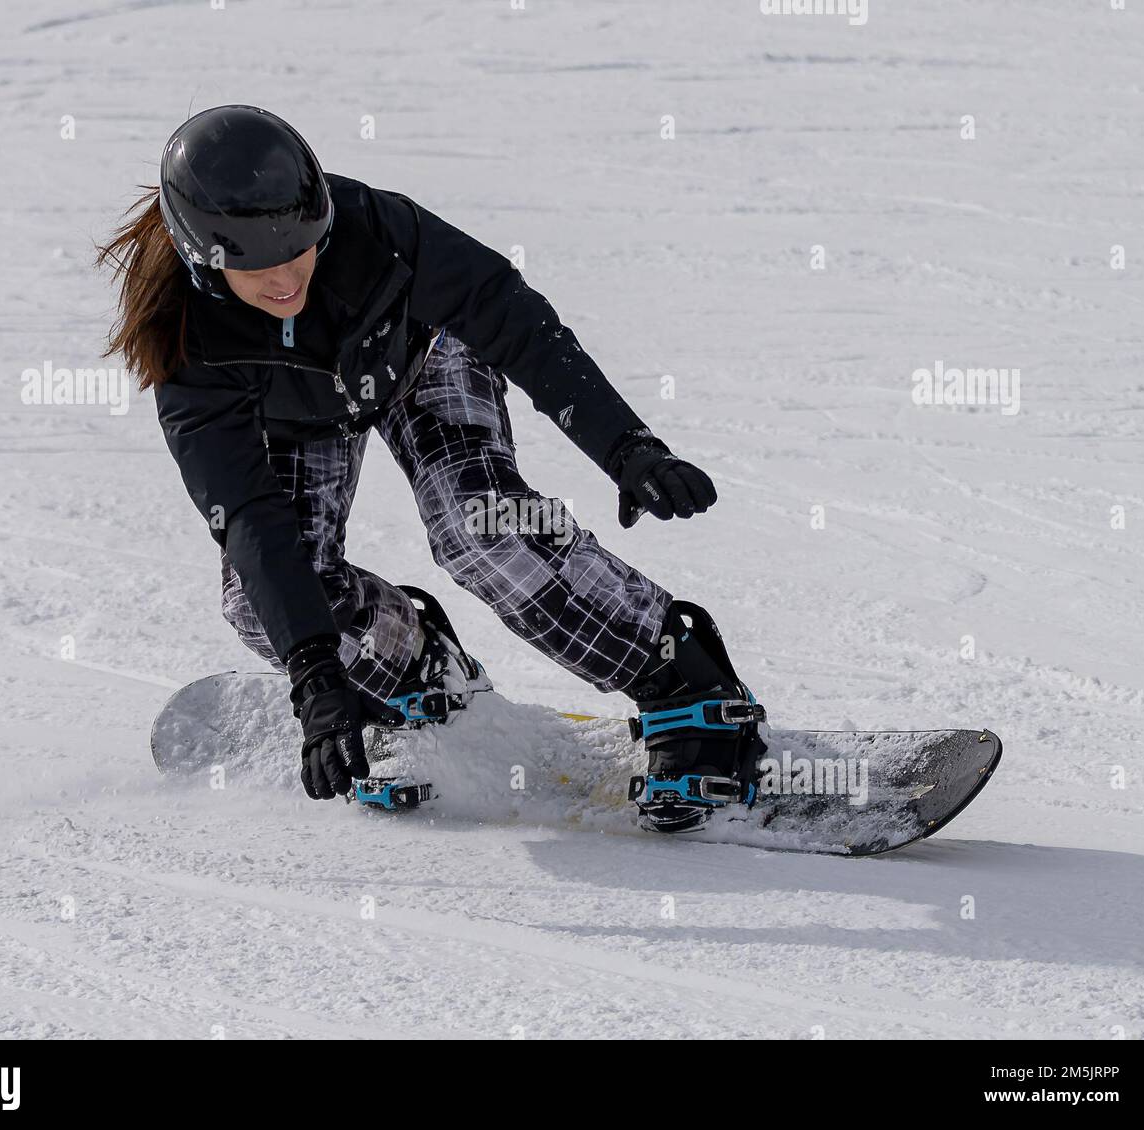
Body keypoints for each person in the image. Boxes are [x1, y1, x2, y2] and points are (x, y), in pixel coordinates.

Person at [98, 104, 765, 832]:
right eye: (258, 268)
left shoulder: (377, 232)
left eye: (302, 250)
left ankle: (679, 677)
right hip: (291, 412)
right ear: (205, 257)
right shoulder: (188, 346)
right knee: (261, 599)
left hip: (418, 359)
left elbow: (510, 318)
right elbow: (250, 518)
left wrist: (627, 447)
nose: (290, 279)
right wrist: (317, 674)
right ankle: (415, 672)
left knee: (477, 526)